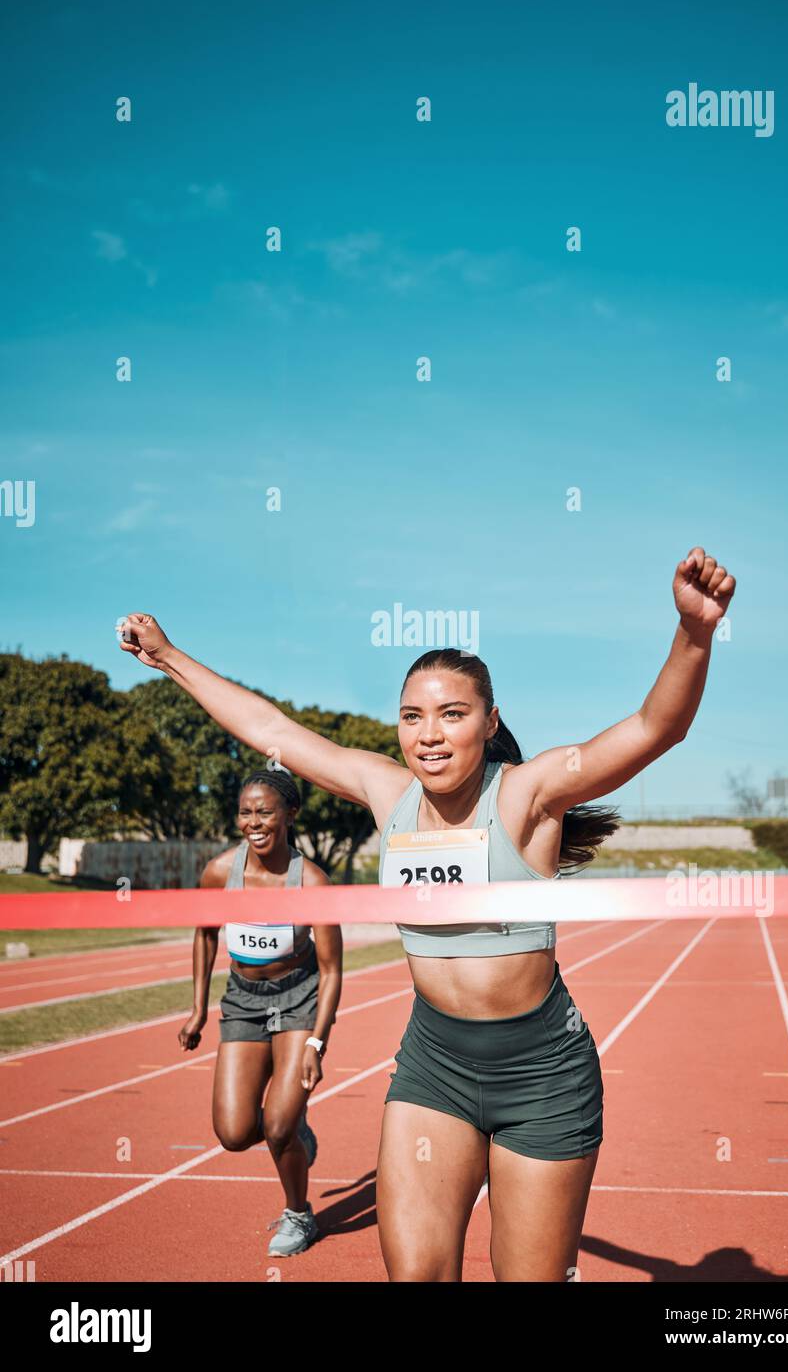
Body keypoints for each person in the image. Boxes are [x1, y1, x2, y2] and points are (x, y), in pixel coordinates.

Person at [120, 545, 736, 1281]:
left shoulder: (527, 795)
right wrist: (170, 656)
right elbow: (272, 732)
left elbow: (652, 728)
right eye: (413, 717)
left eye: (451, 714)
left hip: (542, 1073)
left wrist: (693, 633)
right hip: (435, 1067)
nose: (430, 733)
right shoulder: (388, 793)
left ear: (489, 720)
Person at [178, 768, 343, 1258]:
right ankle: (295, 1128)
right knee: (232, 1133)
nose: (254, 821)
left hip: (300, 997)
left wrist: (317, 1041)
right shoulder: (218, 873)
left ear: (289, 814)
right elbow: (206, 934)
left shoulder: (311, 880)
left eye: (265, 811)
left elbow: (332, 970)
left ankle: (299, 1214)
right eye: (246, 812)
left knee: (276, 1127)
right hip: (243, 1001)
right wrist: (198, 1010)